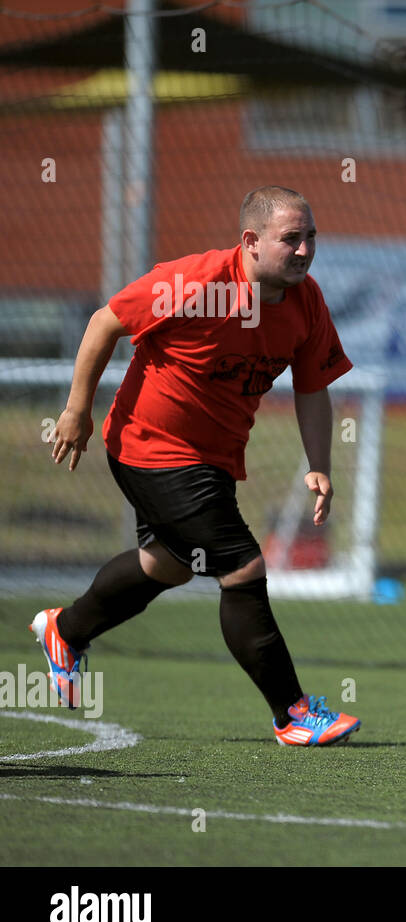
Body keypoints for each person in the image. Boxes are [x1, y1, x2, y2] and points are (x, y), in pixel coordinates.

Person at [32, 185, 360, 746]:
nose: (304, 250)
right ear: (250, 242)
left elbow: (312, 388)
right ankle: (294, 714)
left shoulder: (306, 303)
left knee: (169, 565)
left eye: (311, 238)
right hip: (149, 446)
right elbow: (104, 322)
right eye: (291, 239)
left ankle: (67, 629)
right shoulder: (197, 282)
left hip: (213, 461)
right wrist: (76, 410)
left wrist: (319, 464)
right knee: (243, 568)